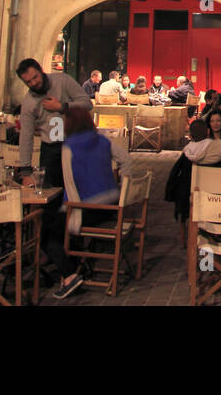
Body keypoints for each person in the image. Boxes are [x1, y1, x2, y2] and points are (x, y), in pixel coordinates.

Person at [47, 106, 135, 299]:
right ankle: (79, 262)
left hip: (87, 207)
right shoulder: (103, 140)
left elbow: (69, 184)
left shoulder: (68, 146)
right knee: (60, 223)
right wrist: (123, 189)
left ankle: (69, 274)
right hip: (111, 205)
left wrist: (71, 212)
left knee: (47, 232)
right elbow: (126, 159)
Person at [14, 57, 92, 188]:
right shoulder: (28, 103)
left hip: (76, 143)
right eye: (28, 82)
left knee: (80, 191)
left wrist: (62, 107)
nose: (34, 83)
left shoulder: (62, 80)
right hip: (51, 150)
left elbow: (87, 104)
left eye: (35, 77)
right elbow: (26, 136)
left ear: (41, 71)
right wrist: (26, 172)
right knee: (52, 196)